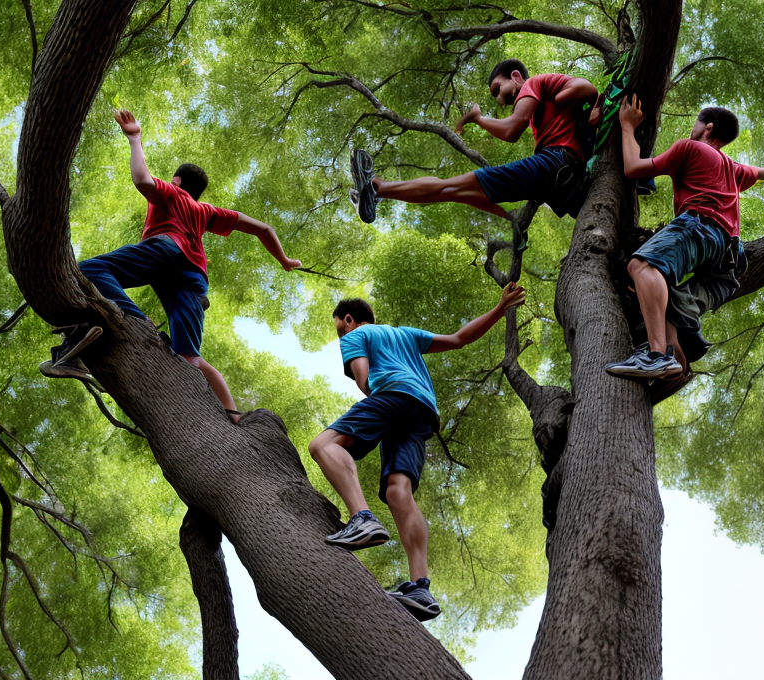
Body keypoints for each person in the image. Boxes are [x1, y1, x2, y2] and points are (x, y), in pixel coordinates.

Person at [40, 109, 301, 423]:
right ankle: (234, 414)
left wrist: (134, 138)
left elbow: (142, 179)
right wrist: (285, 261)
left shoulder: (172, 194)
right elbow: (264, 229)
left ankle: (133, 321)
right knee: (189, 356)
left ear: (177, 181)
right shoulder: (206, 211)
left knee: (90, 270)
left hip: (166, 251)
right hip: (192, 279)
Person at [308, 282, 527, 621]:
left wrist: (370, 389)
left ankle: (362, 519)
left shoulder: (354, 336)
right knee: (399, 491)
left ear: (348, 319)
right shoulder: (404, 334)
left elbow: (364, 380)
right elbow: (459, 339)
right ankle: (420, 586)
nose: (340, 334)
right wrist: (500, 308)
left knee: (323, 445)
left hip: (392, 397)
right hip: (423, 413)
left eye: (339, 328)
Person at [606, 95, 764, 379]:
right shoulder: (733, 168)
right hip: (727, 255)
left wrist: (626, 126)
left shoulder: (690, 148)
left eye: (695, 123)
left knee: (641, 267)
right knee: (660, 290)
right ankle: (673, 354)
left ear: (707, 128)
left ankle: (656, 355)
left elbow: (633, 168)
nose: (691, 129)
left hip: (700, 225)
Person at [349, 59, 601, 250]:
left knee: (451, 187)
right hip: (562, 183)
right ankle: (377, 192)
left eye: (497, 89)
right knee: (452, 192)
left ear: (515, 76)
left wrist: (478, 118)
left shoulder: (533, 83)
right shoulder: (546, 114)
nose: (500, 100)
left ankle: (377, 187)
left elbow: (512, 129)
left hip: (555, 164)